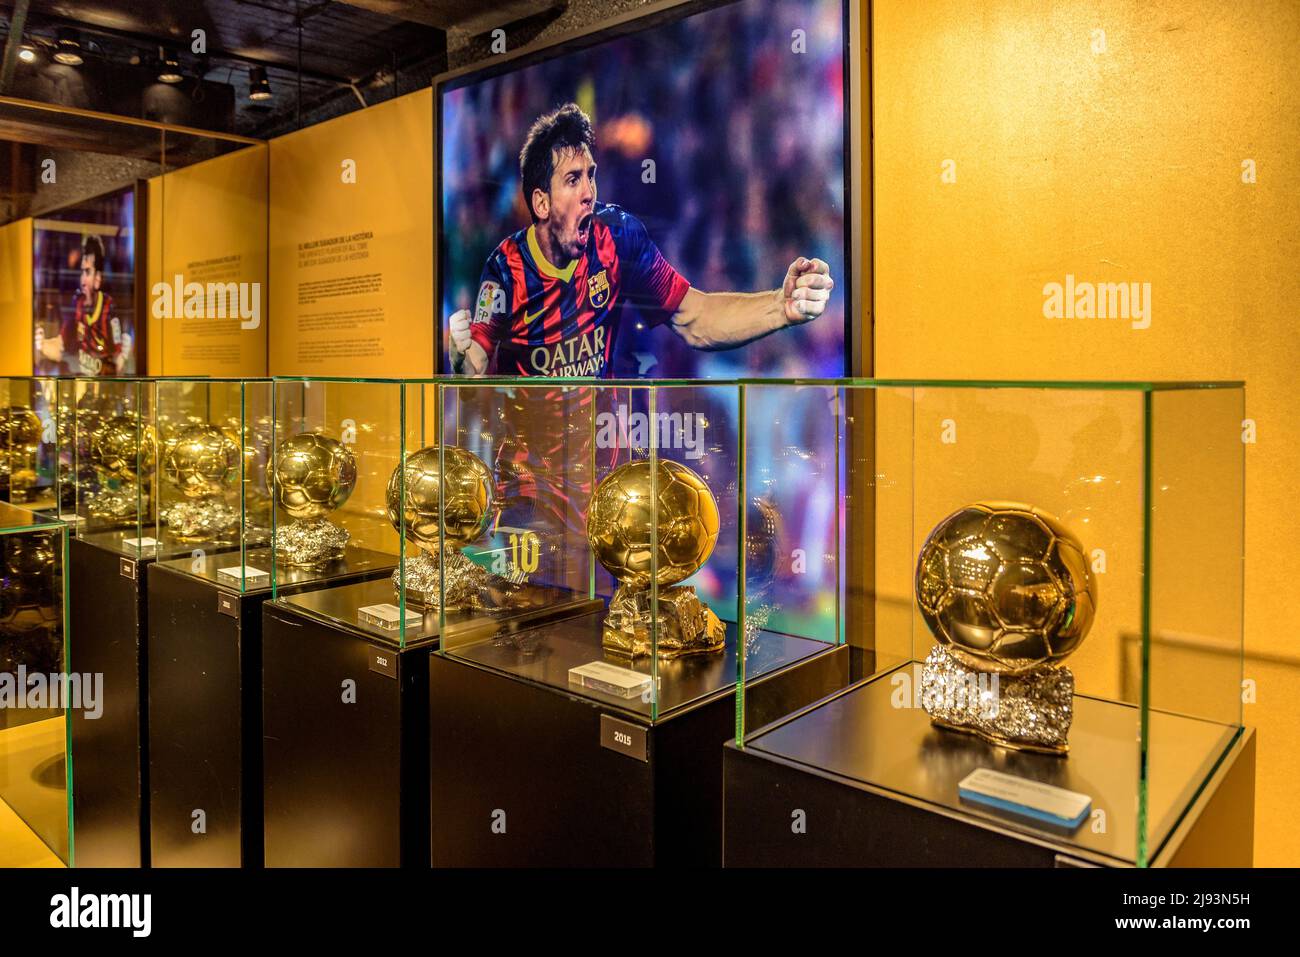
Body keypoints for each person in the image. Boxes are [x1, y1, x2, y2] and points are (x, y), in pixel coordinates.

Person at [446, 103, 833, 378]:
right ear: (541, 202)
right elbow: (476, 361)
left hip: (601, 478)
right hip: (527, 486)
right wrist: (462, 360)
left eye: (590, 175)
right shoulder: (506, 267)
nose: (589, 192)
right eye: (572, 180)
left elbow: (695, 319)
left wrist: (780, 308)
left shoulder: (617, 236)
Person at [37, 235, 132, 376]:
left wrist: (122, 357)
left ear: (98, 279)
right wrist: (42, 344)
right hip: (81, 384)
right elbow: (61, 346)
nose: (83, 279)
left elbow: (118, 357)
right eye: (81, 272)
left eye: (87, 272)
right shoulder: (77, 303)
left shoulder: (109, 308)